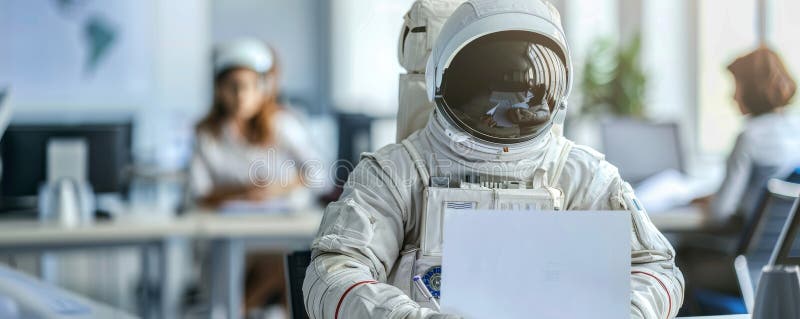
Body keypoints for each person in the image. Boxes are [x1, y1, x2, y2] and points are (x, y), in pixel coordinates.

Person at [302, 1, 684, 318]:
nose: (516, 104)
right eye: (495, 88)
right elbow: (332, 273)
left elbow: (657, 269)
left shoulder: (582, 175)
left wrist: (629, 311)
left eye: (527, 88)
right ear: (442, 79)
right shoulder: (397, 172)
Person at [190, 38, 323, 314]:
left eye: (249, 86)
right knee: (261, 270)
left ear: (262, 89)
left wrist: (278, 188)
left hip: (277, 232)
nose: (241, 95)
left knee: (290, 264)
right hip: (229, 237)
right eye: (233, 87)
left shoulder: (282, 123)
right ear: (219, 90)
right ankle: (237, 309)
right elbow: (198, 192)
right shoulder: (207, 133)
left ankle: (241, 309)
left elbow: (318, 173)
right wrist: (243, 194)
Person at [703, 47, 800, 224]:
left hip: (745, 247)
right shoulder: (796, 128)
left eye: (736, 86)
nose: (732, 96)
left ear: (751, 88)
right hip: (787, 250)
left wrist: (711, 203)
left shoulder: (749, 138)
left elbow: (719, 213)